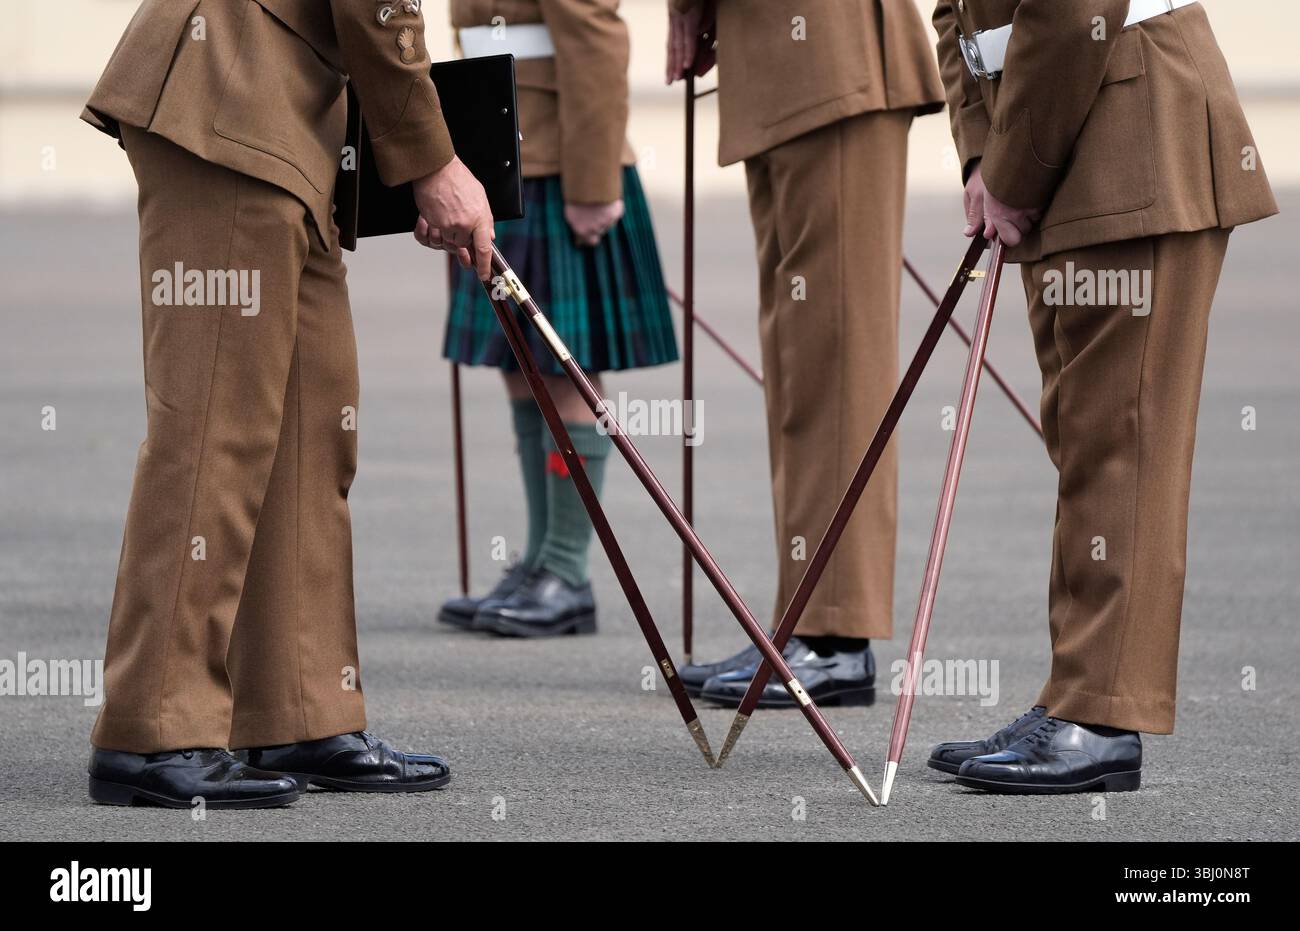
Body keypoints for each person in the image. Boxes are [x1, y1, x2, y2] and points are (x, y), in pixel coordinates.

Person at [80, 0, 493, 808]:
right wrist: (433, 160)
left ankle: (300, 708)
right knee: (213, 435)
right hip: (230, 102)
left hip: (286, 120)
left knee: (312, 430)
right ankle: (152, 726)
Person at [927, 0, 1277, 793]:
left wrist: (1011, 170)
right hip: (1062, 144)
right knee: (1087, 439)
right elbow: (953, 13)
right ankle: (1074, 694)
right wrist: (983, 157)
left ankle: (1104, 716)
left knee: (1125, 441)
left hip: (1133, 132)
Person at [665, 0, 945, 707]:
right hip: (787, 69)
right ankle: (806, 620)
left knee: (837, 364)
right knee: (799, 366)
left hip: (834, 60)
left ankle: (836, 638)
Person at [434, 0, 678, 638]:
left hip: (566, 165)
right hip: (503, 157)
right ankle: (541, 558)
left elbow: (595, 39)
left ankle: (567, 573)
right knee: (522, 369)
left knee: (566, 372)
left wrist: (594, 182)